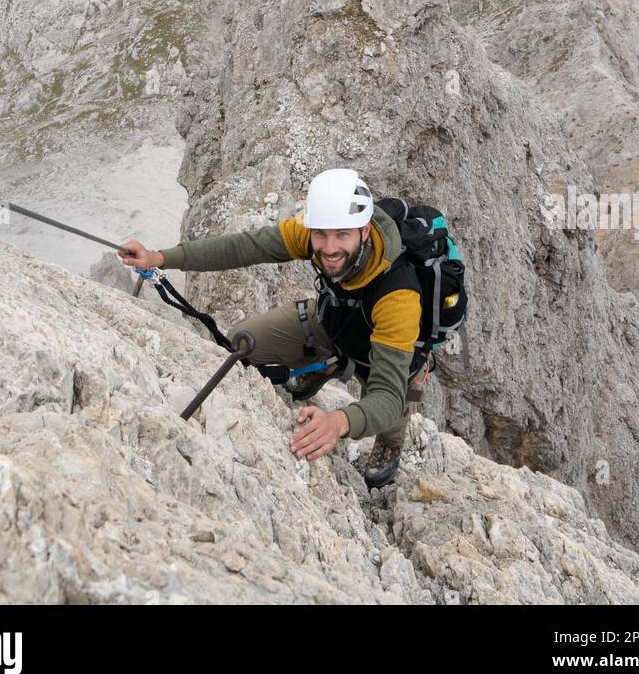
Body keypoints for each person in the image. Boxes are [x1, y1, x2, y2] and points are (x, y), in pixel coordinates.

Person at [118, 168, 432, 488]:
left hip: (384, 353)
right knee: (242, 342)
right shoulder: (312, 236)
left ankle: (390, 444)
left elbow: (388, 397)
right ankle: (327, 365)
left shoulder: (398, 296)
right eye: (321, 234)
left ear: (364, 231)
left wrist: (340, 421)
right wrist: (159, 257)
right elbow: (246, 247)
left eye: (342, 235)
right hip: (333, 322)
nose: (329, 247)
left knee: (389, 411)